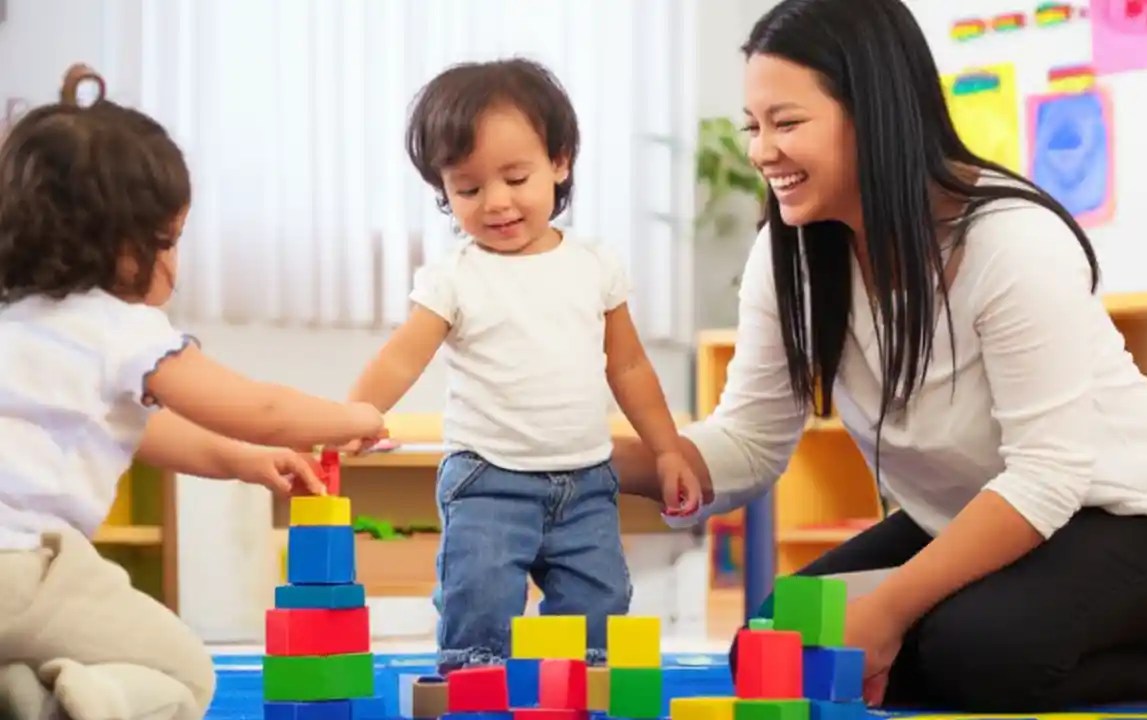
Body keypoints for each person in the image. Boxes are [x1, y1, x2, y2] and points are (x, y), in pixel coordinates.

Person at [612, 0, 1147, 712]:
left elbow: (1046, 476)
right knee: (767, 643)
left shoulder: (1011, 242)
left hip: (1146, 528)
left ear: (875, 112)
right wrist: (591, 464)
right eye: (753, 127)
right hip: (978, 519)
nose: (762, 151)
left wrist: (888, 613)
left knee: (974, 650)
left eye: (786, 124)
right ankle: (991, 635)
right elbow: (749, 443)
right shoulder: (787, 254)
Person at [0, 65, 387, 720]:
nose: (175, 264)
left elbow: (140, 428)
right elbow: (257, 407)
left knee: (49, 648)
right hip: (22, 565)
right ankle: (67, 703)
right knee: (183, 672)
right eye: (165, 242)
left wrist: (239, 462)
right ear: (114, 245)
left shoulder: (20, 323)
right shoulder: (123, 330)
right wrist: (350, 414)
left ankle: (20, 689)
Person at [345, 57, 702, 673]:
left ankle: (574, 687)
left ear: (559, 162)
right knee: (479, 603)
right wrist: (352, 415)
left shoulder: (594, 265)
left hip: (586, 480)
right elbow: (404, 354)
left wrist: (667, 449)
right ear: (443, 189)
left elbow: (631, 368)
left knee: (598, 608)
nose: (497, 203)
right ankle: (476, 682)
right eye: (469, 188)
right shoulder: (456, 275)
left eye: (516, 177)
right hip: (487, 478)